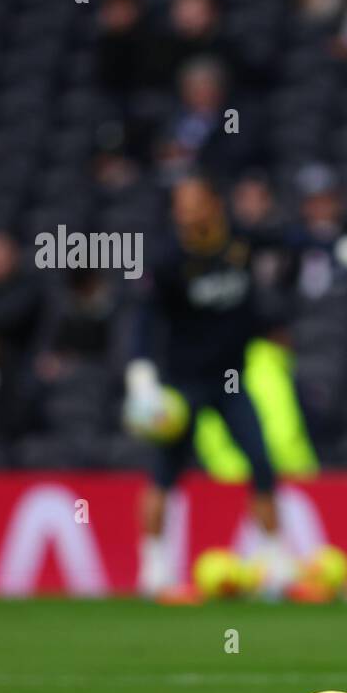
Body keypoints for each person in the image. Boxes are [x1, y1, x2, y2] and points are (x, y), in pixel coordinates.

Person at [127, 174, 296, 598]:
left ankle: (274, 561)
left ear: (213, 204)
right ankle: (152, 566)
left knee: (260, 462)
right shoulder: (168, 260)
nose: (185, 213)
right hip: (182, 383)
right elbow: (144, 320)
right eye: (179, 205)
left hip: (231, 380)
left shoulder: (241, 242)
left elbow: (293, 242)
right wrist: (141, 373)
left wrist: (341, 249)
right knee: (164, 472)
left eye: (193, 203)